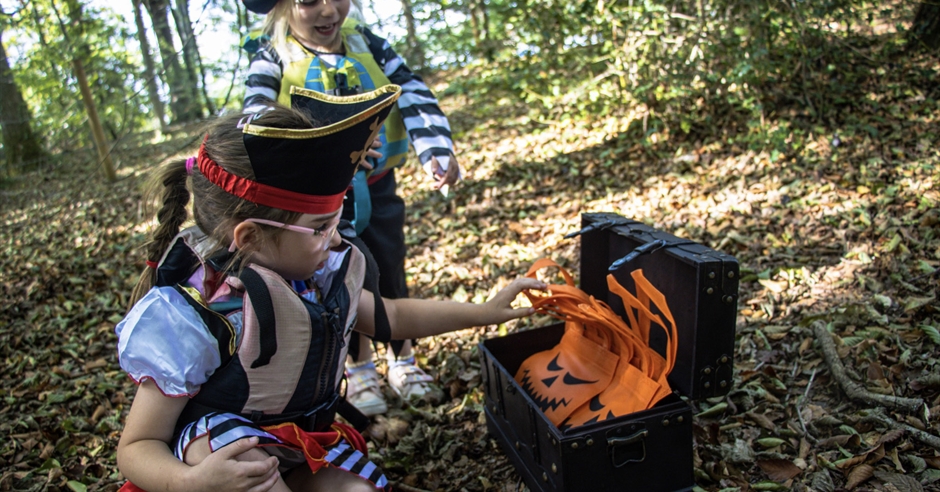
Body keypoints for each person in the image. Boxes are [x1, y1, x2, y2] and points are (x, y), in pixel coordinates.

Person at [114, 88, 544, 492]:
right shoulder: (196, 314)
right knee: (238, 454)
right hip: (215, 469)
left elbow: (392, 317)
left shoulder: (314, 279)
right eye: (321, 228)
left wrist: (485, 311)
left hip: (297, 447)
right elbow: (136, 448)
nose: (338, 242)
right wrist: (191, 484)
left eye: (337, 222)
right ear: (249, 239)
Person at [240, 0, 458, 416]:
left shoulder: (367, 43)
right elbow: (256, 119)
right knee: (342, 275)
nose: (328, 11)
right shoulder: (272, 55)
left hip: (378, 189)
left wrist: (435, 148)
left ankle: (404, 360)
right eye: (308, 1)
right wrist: (330, 144)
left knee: (389, 267)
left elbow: (410, 88)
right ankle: (359, 368)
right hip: (319, 205)